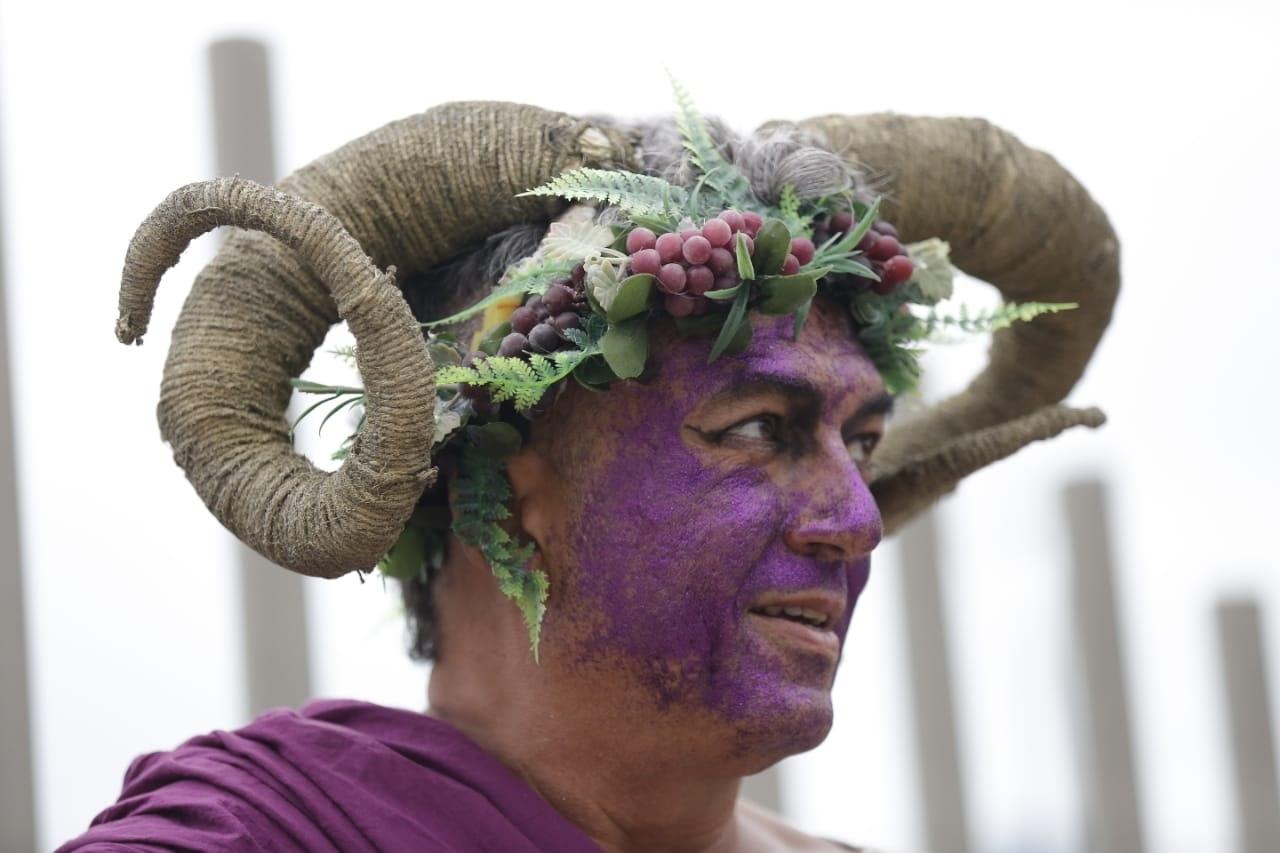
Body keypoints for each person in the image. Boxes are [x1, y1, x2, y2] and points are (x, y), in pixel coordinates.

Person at [62, 98, 1117, 851]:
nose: (853, 518)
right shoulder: (253, 836)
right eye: (757, 429)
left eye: (866, 445)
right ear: (503, 485)